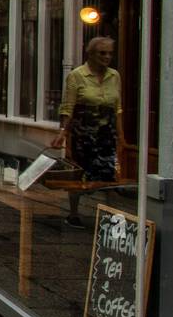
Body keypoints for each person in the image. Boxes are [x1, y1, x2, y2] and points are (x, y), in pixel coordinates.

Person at [52, 36, 122, 229]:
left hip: (106, 133)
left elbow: (118, 108)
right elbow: (68, 106)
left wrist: (121, 137)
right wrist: (62, 132)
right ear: (90, 54)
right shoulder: (77, 75)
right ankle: (73, 213)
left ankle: (109, 217)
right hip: (84, 134)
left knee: (108, 175)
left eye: (110, 53)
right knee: (79, 173)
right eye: (102, 53)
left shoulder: (114, 76)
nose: (107, 57)